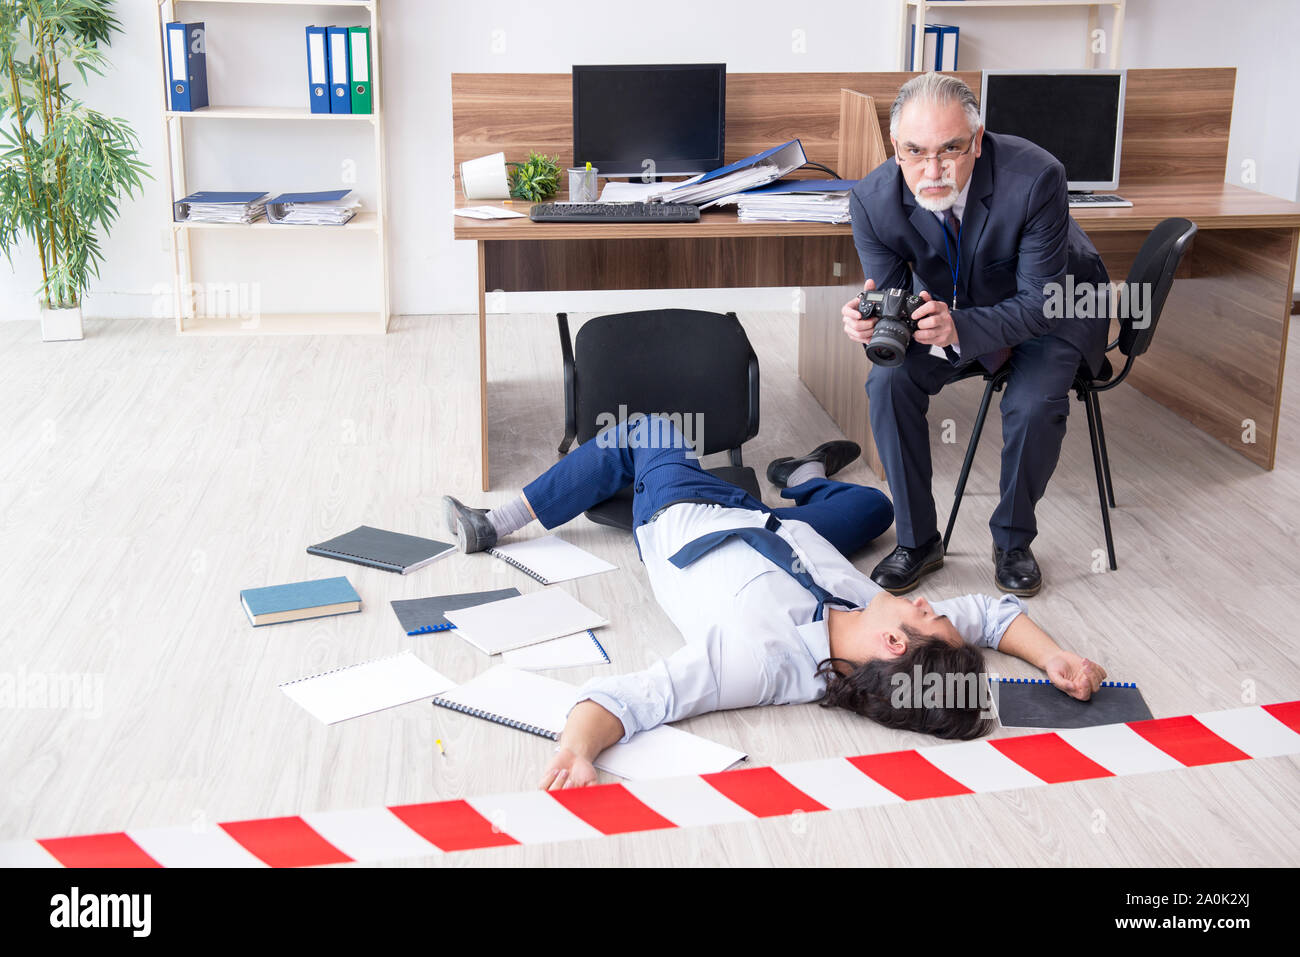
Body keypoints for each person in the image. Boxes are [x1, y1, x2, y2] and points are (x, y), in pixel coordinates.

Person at [441, 414, 1107, 791]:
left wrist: (578, 750)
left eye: (926, 613)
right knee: (875, 507)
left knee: (648, 426)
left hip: (682, 512)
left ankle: (496, 520)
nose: (932, 602)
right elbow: (992, 615)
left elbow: (629, 698)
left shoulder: (755, 664)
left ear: (895, 645)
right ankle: (803, 473)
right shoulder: (880, 627)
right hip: (774, 524)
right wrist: (1054, 656)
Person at [843, 72, 1111, 598]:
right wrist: (873, 321)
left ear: (979, 139)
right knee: (887, 382)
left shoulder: (1036, 177)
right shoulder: (872, 201)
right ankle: (919, 542)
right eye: (915, 152)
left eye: (951, 149)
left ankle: (1012, 540)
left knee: (1033, 403)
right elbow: (897, 305)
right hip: (959, 309)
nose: (933, 169)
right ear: (895, 147)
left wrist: (960, 326)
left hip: (1054, 305)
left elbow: (1039, 305)